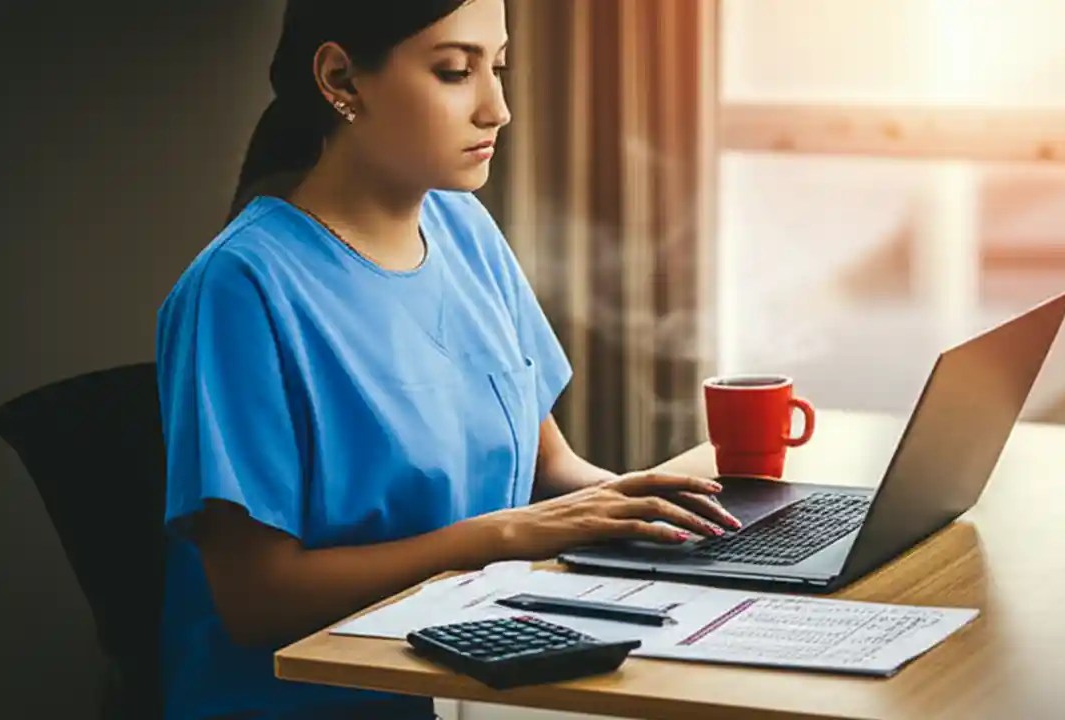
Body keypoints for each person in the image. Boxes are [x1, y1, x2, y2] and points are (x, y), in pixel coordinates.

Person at [154, 1, 741, 718]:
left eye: (497, 67)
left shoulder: (464, 229)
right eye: (455, 72)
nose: (498, 109)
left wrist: (653, 511)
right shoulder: (241, 287)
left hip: (471, 672)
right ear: (341, 78)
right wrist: (493, 538)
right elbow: (257, 601)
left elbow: (546, 468)